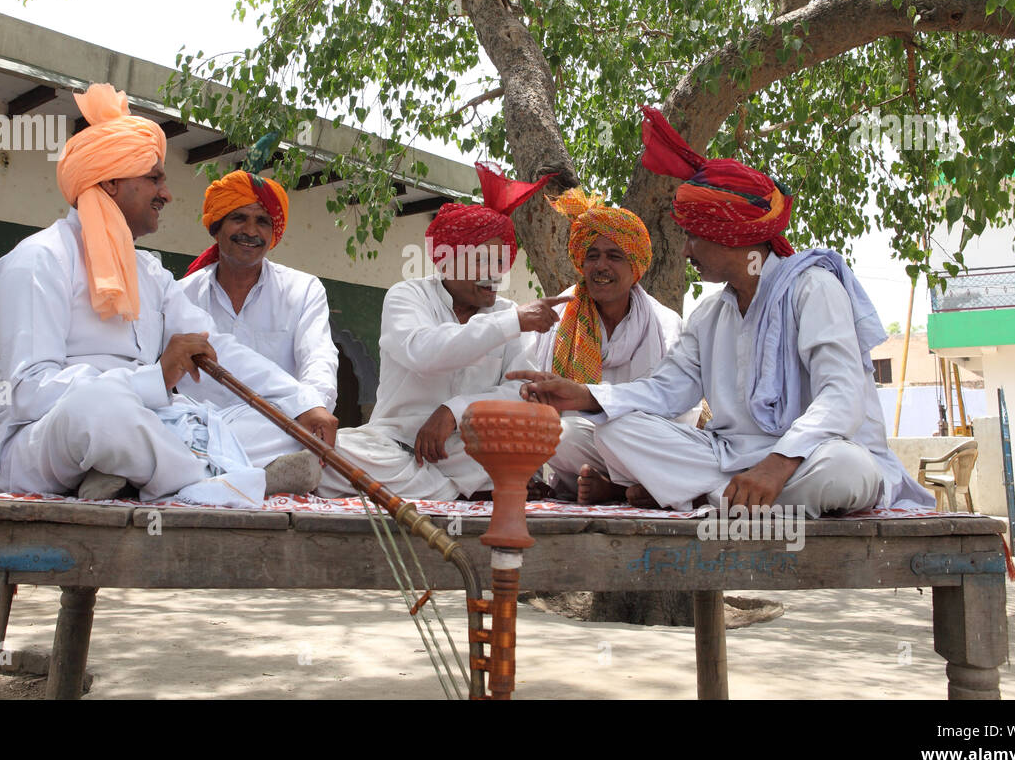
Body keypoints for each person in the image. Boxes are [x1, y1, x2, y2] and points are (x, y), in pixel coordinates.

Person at [510, 107, 935, 516]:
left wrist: (778, 463)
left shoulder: (813, 289)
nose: (686, 250)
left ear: (733, 236)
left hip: (808, 455)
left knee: (849, 472)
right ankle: (720, 495)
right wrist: (585, 395)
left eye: (695, 237)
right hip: (727, 456)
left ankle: (697, 495)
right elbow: (665, 390)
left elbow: (842, 397)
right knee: (613, 429)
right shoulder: (709, 315)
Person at [0, 83, 337, 505]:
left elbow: (216, 347)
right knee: (99, 410)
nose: (166, 194)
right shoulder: (39, 260)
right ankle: (221, 480)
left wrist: (302, 403)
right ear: (111, 182)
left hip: (147, 421)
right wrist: (154, 379)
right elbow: (27, 393)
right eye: (154, 179)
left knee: (280, 425)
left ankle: (133, 473)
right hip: (49, 441)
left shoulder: (149, 272)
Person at [319, 163, 564, 500]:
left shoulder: (507, 313)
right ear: (447, 263)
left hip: (469, 450)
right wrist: (512, 323)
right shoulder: (408, 296)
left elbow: (521, 390)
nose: (493, 274)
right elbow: (425, 352)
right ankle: (451, 491)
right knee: (327, 451)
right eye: (481, 261)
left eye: (500, 262)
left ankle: (431, 488)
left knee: (538, 430)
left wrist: (457, 410)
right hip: (396, 444)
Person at [522, 187, 698, 499]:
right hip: (580, 446)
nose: (601, 266)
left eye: (614, 256)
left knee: (621, 433)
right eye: (593, 256)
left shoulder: (666, 324)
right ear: (581, 263)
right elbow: (528, 399)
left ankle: (618, 488)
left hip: (641, 445)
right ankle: (632, 489)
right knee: (558, 434)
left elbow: (683, 409)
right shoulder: (557, 317)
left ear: (636, 267)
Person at [179, 169, 338, 412]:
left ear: (273, 233)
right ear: (216, 226)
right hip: (197, 432)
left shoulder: (303, 290)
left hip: (275, 429)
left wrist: (313, 408)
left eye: (262, 221)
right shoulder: (182, 295)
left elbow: (318, 359)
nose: (251, 231)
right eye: (239, 218)